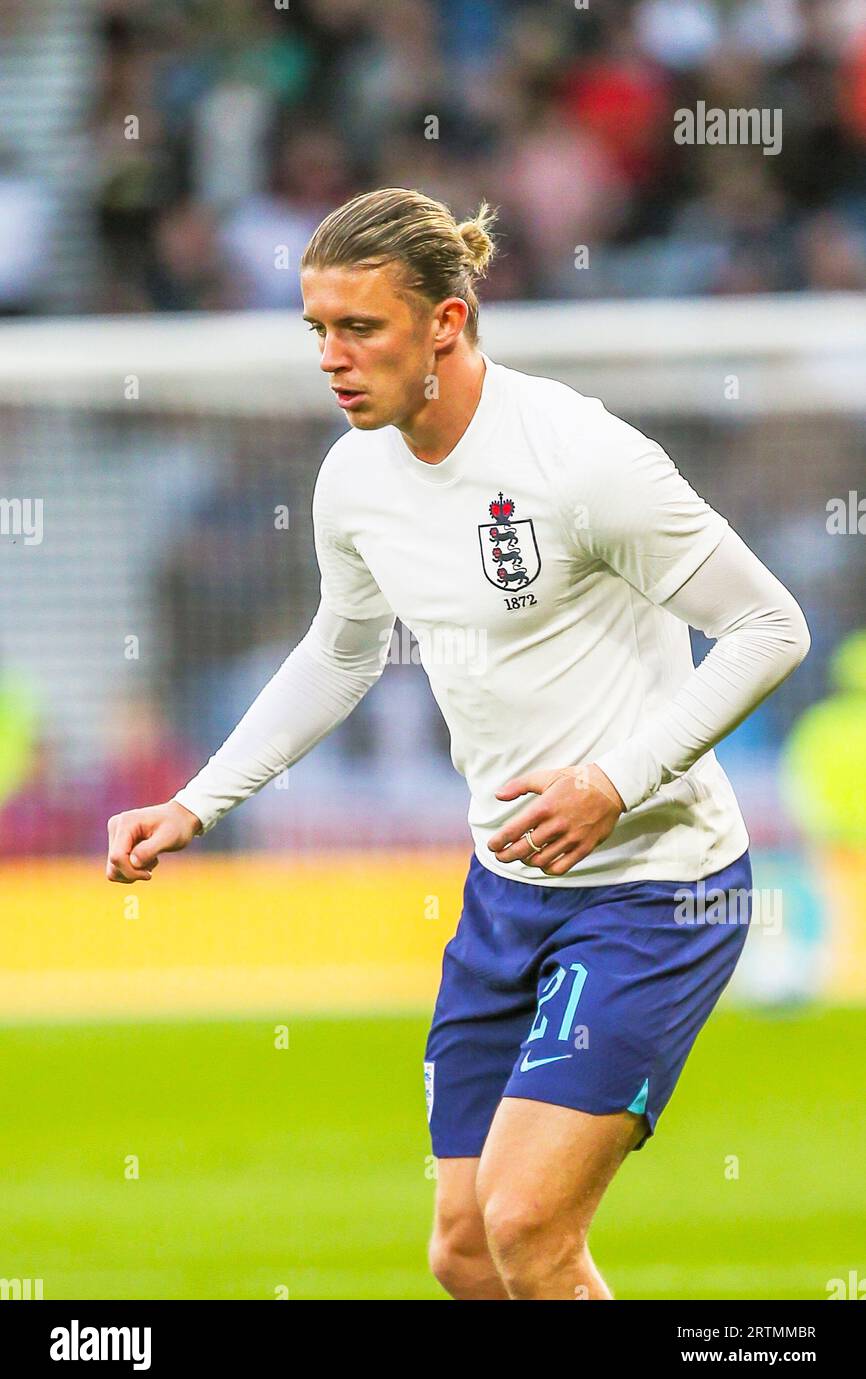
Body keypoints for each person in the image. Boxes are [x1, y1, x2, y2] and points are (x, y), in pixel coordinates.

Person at [106, 187, 810, 1300]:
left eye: (360, 328)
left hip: (652, 888)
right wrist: (199, 800)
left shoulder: (577, 457)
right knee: (466, 1253)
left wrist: (611, 782)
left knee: (526, 1224)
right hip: (504, 888)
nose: (332, 359)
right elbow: (340, 654)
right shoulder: (353, 477)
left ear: (444, 322)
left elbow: (769, 627)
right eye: (317, 331)